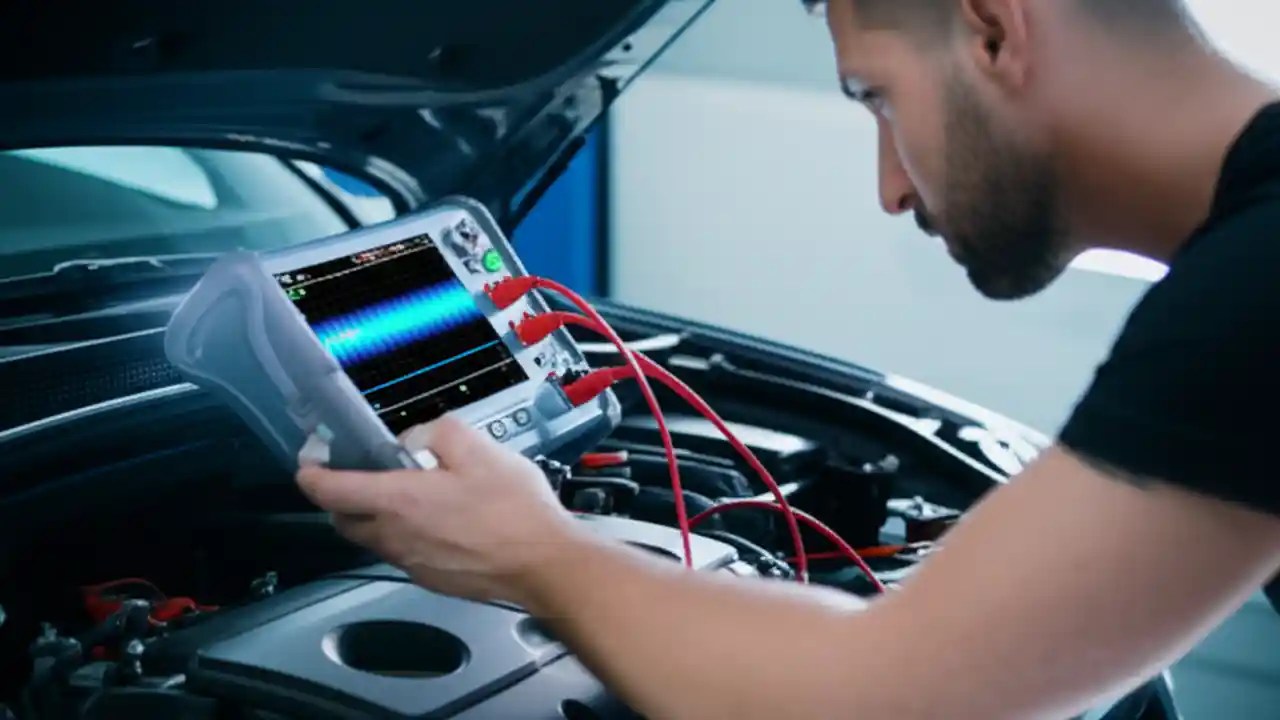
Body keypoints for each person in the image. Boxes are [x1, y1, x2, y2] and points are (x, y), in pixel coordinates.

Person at [296, 1, 1280, 718]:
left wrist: (536, 554)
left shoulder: (1247, 295)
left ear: (991, 29)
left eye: (877, 99)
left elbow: (889, 703)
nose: (890, 188)